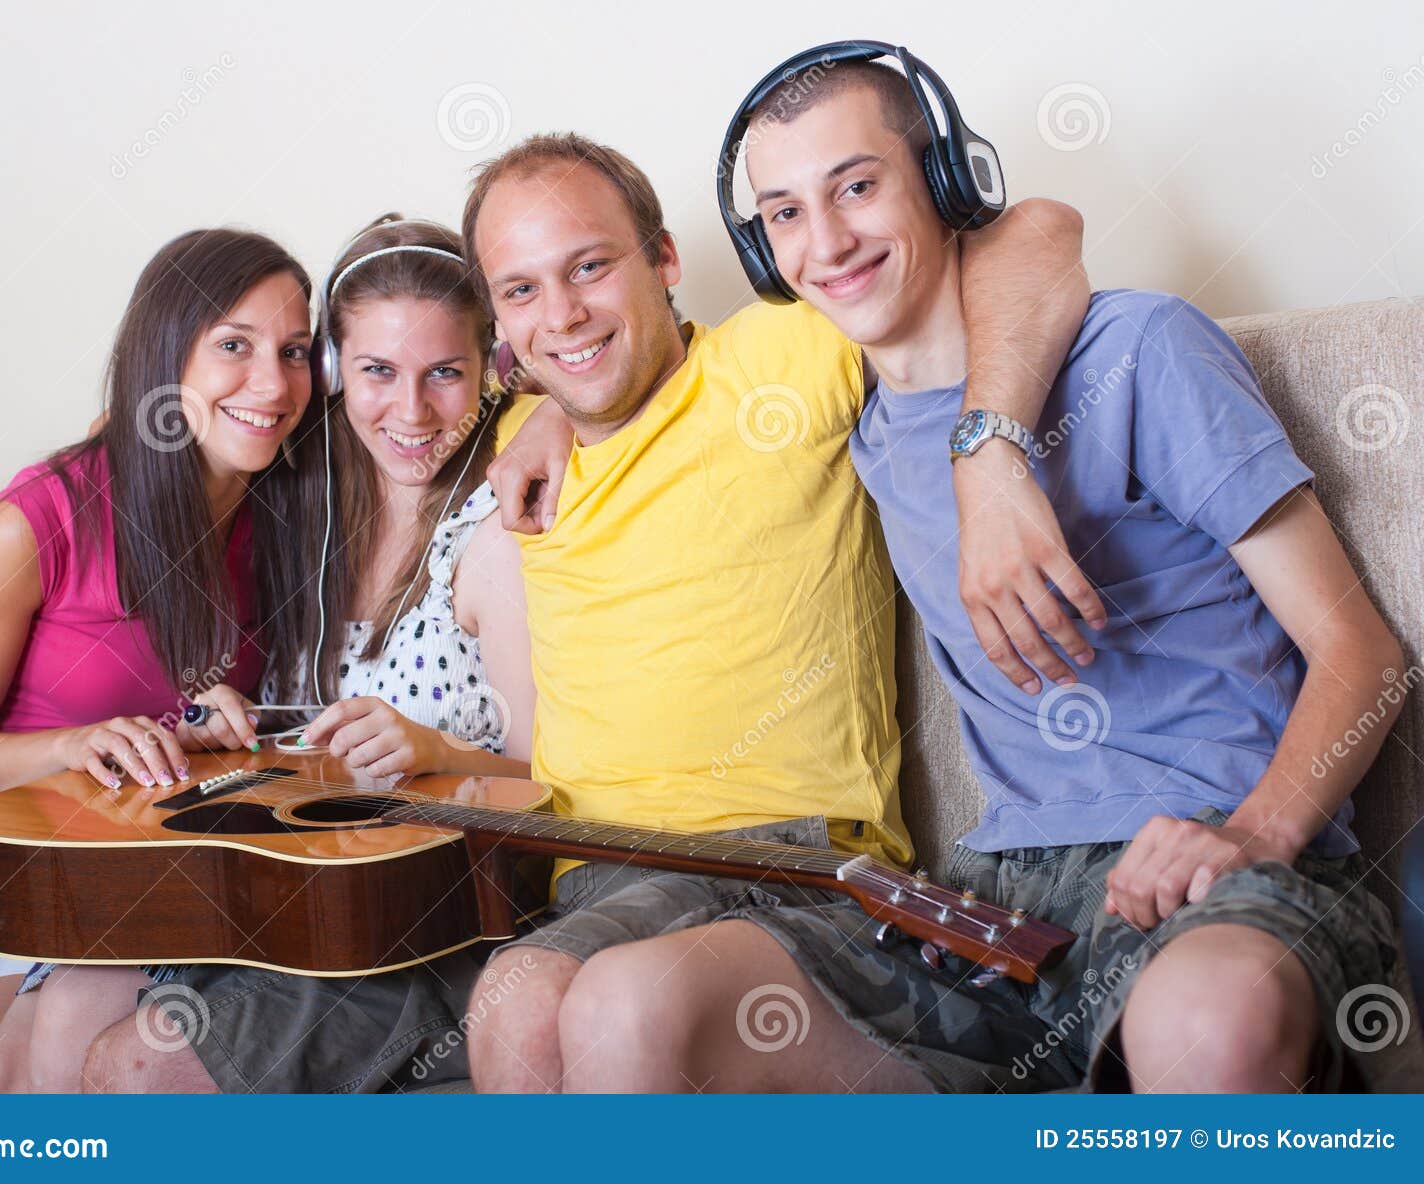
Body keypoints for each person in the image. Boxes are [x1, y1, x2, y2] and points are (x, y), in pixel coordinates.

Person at [551, 53, 1406, 1093]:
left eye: (857, 186)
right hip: (996, 913)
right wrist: (542, 416)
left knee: (1204, 1018)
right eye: (784, 213)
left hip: (1209, 873)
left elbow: (1363, 652)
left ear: (948, 182)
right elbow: (636, 383)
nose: (826, 242)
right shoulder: (849, 420)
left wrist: (1253, 831)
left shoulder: (1139, 349)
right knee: (624, 999)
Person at [451, 128, 1093, 1092]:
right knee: (512, 1001)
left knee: (614, 1003)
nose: (563, 313)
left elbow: (1039, 232)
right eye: (522, 290)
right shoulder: (517, 448)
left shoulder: (782, 355)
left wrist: (992, 452)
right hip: (598, 874)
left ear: (665, 259)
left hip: (792, 870)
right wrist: (549, 409)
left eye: (590, 267)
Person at [38, 216, 536, 1095]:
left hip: (423, 921)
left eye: (445, 372)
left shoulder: (492, 535)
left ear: (488, 368)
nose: (411, 411)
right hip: (290, 891)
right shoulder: (302, 496)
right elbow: (140, 439)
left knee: (140, 1067)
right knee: (66, 1007)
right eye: (377, 371)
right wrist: (213, 723)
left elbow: (546, 780)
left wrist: (437, 752)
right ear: (334, 371)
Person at [0, 228, 321, 1092]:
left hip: (93, 869)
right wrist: (72, 744)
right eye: (234, 346)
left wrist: (206, 726)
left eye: (296, 351)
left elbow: (439, 380)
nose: (273, 383)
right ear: (165, 357)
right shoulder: (41, 517)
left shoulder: (291, 519)